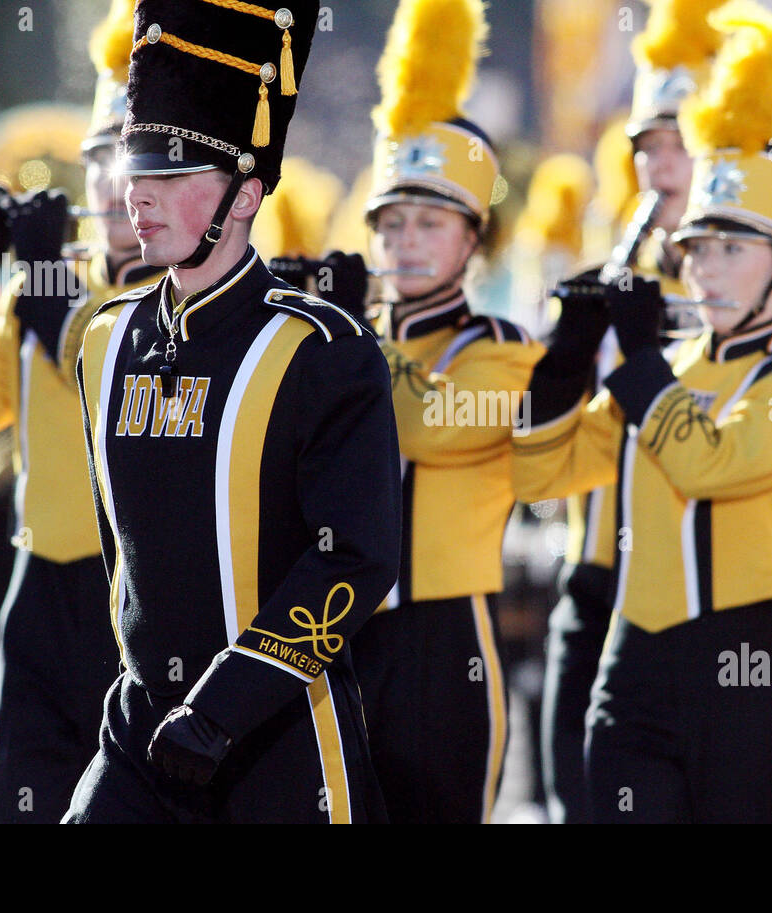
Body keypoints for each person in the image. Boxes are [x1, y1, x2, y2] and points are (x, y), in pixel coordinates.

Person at [64, 0, 400, 824]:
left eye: (173, 174)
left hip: (279, 739)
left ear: (245, 195)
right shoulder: (105, 340)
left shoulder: (324, 349)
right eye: (136, 171)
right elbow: (124, 555)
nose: (139, 195)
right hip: (140, 732)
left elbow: (356, 559)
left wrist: (222, 704)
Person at [514, 5, 772, 823]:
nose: (705, 268)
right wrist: (562, 365)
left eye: (732, 249)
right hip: (631, 661)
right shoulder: (659, 364)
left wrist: (635, 363)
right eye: (697, 248)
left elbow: (709, 463)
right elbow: (540, 473)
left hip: (750, 661)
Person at [0, 0, 163, 823]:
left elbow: (109, 381)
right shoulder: (46, 290)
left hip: (145, 612)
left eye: (137, 161)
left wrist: (47, 279)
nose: (115, 185)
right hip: (39, 596)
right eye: (101, 162)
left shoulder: (192, 303)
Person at [313, 0, 542, 825]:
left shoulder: (505, 347)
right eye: (393, 222)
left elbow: (427, 421)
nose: (408, 240)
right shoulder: (336, 336)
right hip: (336, 626)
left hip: (451, 643)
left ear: (474, 239)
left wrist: (340, 352)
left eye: (433, 222)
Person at [538, 0, 727, 825]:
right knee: (571, 798)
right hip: (593, 579)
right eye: (647, 143)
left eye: (681, 141)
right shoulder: (608, 266)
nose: (661, 163)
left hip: (698, 590)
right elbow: (542, 445)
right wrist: (568, 349)